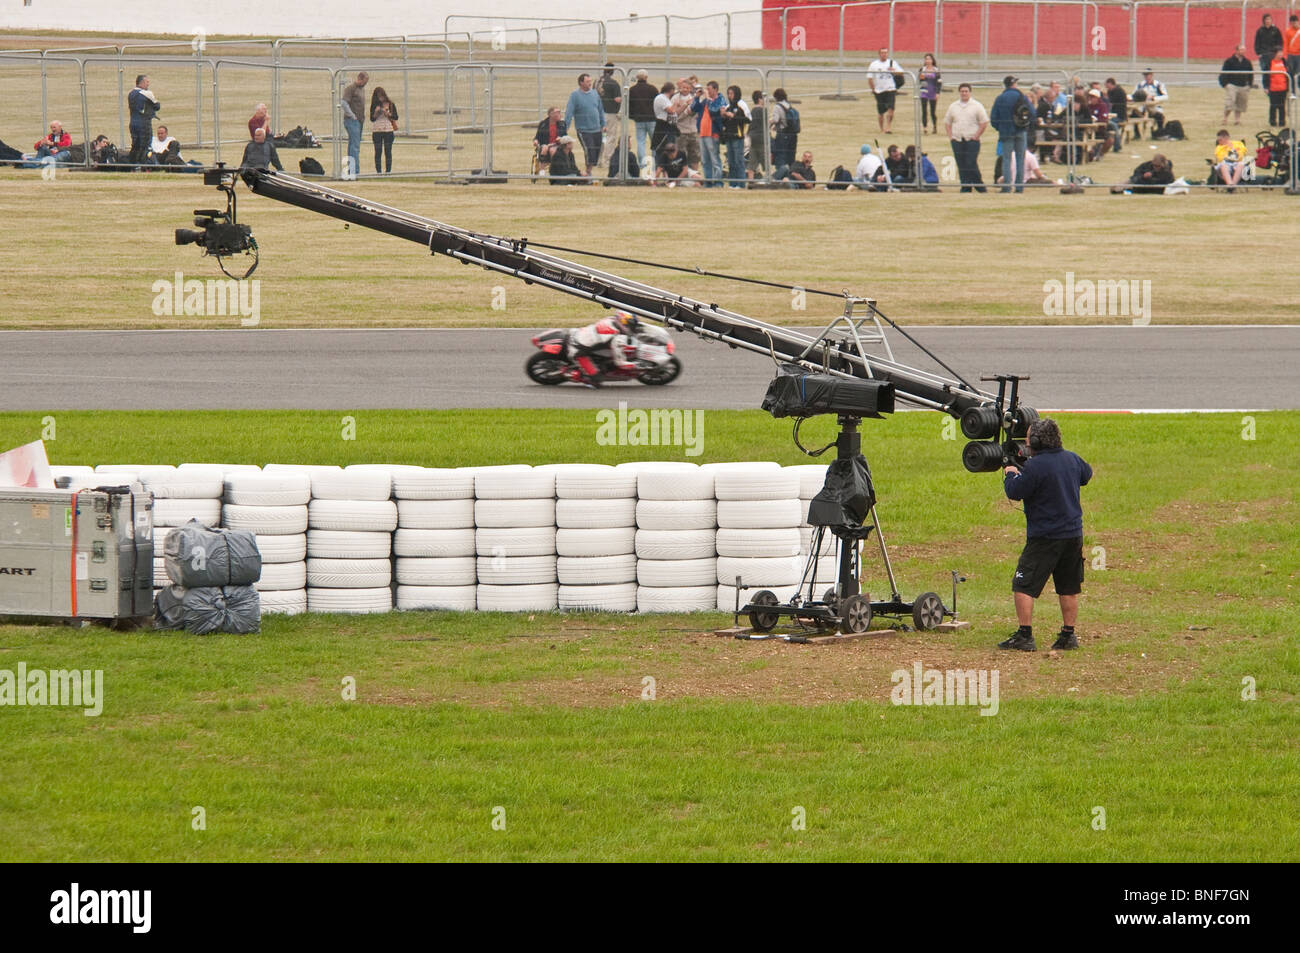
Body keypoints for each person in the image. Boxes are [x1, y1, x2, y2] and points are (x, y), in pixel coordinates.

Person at [999, 418, 1092, 652]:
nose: (1027, 443)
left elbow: (1015, 491)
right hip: (1073, 534)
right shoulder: (1072, 459)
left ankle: (1025, 635)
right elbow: (1086, 475)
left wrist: (1011, 473)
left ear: (1038, 441)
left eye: (1029, 438)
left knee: (1022, 583)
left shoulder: (1035, 467)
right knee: (1068, 586)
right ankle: (1068, 635)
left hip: (1045, 537)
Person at [566, 311, 640, 385]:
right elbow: (620, 363)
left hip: (578, 334)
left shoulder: (610, 320)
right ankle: (579, 376)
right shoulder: (615, 338)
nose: (632, 327)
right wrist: (636, 365)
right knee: (596, 379)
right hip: (578, 350)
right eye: (630, 325)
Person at [944, 82, 988, 193]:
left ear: (970, 92)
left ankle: (979, 186)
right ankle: (965, 187)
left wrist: (977, 136)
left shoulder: (977, 106)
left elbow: (984, 122)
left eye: (966, 91)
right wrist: (951, 137)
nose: (964, 93)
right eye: (962, 91)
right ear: (959, 92)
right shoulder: (953, 106)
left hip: (971, 139)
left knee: (971, 163)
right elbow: (947, 122)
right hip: (957, 139)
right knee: (961, 164)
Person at [990, 75, 1030, 193]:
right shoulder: (1021, 96)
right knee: (1020, 159)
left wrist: (1000, 127)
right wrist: (1026, 125)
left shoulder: (1000, 98)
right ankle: (1019, 187)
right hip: (1021, 130)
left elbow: (993, 118)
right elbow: (1031, 112)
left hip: (1006, 132)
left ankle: (1006, 186)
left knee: (1006, 159)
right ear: (1014, 84)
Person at [565, 73, 606, 176]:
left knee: (596, 152)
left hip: (597, 129)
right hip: (584, 130)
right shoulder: (575, 95)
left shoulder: (595, 94)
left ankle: (589, 171)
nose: (590, 83)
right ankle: (588, 173)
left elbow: (600, 110)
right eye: (587, 82)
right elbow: (569, 112)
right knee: (589, 151)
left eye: (590, 81)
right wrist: (565, 127)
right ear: (581, 83)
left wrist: (603, 124)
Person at [692, 81, 725, 187]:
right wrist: (697, 97)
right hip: (702, 133)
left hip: (712, 133)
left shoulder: (720, 100)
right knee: (705, 160)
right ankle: (709, 181)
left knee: (714, 159)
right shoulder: (705, 101)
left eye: (709, 89)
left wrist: (708, 99)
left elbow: (713, 110)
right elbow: (693, 108)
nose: (708, 91)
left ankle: (718, 182)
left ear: (715, 89)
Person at [867, 46, 904, 134]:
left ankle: (888, 127)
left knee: (891, 109)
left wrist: (894, 71)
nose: (884, 54)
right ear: (879, 54)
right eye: (882, 53)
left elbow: (901, 72)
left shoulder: (892, 63)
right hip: (879, 90)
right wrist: (873, 89)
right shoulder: (874, 64)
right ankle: (881, 128)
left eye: (886, 53)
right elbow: (870, 78)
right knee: (881, 111)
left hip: (890, 89)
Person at [719, 85, 750, 188]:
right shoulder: (728, 106)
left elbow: (748, 119)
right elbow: (724, 123)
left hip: (738, 136)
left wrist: (734, 116)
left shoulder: (742, 104)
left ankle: (741, 184)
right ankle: (733, 183)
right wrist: (723, 116)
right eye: (728, 93)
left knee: (739, 161)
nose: (730, 96)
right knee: (731, 162)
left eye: (731, 93)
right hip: (729, 137)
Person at [127, 74, 161, 166]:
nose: (148, 84)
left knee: (135, 145)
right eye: (147, 82)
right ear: (141, 83)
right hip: (143, 123)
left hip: (133, 123)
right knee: (145, 145)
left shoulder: (131, 94)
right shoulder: (147, 93)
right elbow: (157, 106)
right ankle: (144, 165)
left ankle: (132, 165)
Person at [671, 78, 701, 174]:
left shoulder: (694, 99)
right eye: (683, 87)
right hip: (681, 131)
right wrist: (685, 109)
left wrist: (689, 111)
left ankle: (695, 175)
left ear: (690, 89)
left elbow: (696, 113)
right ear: (680, 88)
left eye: (687, 88)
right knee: (681, 155)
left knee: (694, 156)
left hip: (692, 131)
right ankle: (682, 176)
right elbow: (674, 115)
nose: (685, 90)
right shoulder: (675, 98)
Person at [340, 72, 368, 177]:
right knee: (355, 147)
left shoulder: (362, 89)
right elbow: (344, 103)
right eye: (365, 81)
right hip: (352, 121)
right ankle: (354, 171)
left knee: (353, 146)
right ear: (360, 79)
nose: (365, 84)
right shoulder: (351, 88)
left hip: (360, 121)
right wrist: (352, 115)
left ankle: (350, 170)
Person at [627, 69, 657, 168]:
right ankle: (655, 163)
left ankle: (643, 164)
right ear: (646, 77)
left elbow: (629, 105)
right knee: (655, 143)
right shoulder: (653, 89)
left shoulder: (632, 90)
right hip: (652, 119)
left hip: (639, 120)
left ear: (637, 78)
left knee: (640, 142)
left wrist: (632, 116)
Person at [1220, 45, 1253, 125]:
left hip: (1243, 86)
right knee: (1230, 103)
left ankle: (1237, 120)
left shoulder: (1247, 62)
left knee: (1240, 104)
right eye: (1241, 50)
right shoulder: (1229, 61)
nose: (1243, 51)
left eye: (1244, 50)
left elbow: (1251, 74)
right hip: (1232, 85)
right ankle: (1225, 118)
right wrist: (1225, 84)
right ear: (1237, 50)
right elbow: (1223, 73)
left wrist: (1249, 84)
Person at [369, 87, 398, 174]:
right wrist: (376, 112)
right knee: (378, 151)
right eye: (378, 97)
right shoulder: (374, 105)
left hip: (388, 130)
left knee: (388, 151)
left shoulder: (391, 104)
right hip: (377, 130)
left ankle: (388, 171)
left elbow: (396, 117)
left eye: (381, 96)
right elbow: (372, 119)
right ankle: (378, 171)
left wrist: (388, 114)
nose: (380, 98)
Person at [770, 87, 798, 174]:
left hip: (783, 135)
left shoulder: (777, 106)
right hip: (792, 135)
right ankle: (789, 174)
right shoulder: (789, 106)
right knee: (790, 157)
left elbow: (775, 119)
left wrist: (768, 124)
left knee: (780, 157)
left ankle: (780, 176)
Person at [533, 106, 567, 172]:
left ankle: (554, 169)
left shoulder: (562, 124)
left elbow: (566, 137)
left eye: (559, 112)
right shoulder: (543, 124)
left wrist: (561, 138)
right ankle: (542, 170)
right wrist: (535, 141)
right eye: (557, 112)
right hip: (545, 144)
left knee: (552, 150)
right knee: (545, 148)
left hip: (557, 145)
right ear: (551, 114)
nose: (559, 114)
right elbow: (537, 137)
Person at [1134, 69, 1168, 133]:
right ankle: (1137, 134)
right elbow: (1134, 95)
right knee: (1133, 114)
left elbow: (1165, 97)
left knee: (1159, 116)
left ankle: (1160, 132)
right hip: (1142, 107)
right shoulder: (1140, 85)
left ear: (1152, 75)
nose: (1147, 77)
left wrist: (1153, 98)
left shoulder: (1158, 85)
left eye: (1148, 75)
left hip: (1154, 107)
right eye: (1145, 75)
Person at [1255, 14, 1283, 88]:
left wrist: (1278, 52)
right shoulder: (1260, 31)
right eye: (1266, 19)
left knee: (1274, 72)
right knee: (1265, 72)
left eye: (1269, 19)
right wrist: (1259, 53)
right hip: (1263, 55)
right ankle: (1266, 87)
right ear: (1263, 20)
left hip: (1273, 55)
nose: (1268, 21)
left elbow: (1280, 42)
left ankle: (1274, 86)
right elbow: (1257, 43)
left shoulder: (1275, 30)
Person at [598, 63, 623, 147]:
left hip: (598, 114)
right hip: (610, 114)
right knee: (610, 137)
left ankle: (599, 157)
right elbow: (617, 99)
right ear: (612, 71)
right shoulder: (613, 83)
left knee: (602, 137)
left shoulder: (597, 82)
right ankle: (607, 159)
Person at [746, 90, 768, 181]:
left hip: (752, 138)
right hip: (761, 138)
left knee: (752, 161)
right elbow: (765, 125)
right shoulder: (763, 110)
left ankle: (751, 181)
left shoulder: (753, 110)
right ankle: (768, 179)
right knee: (765, 161)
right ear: (760, 99)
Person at [651, 81, 677, 154]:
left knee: (671, 149)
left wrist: (685, 104)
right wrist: (675, 103)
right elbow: (671, 110)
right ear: (671, 90)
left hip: (670, 126)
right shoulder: (661, 98)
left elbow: (675, 112)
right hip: (663, 126)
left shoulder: (666, 99)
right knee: (663, 149)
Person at [918, 54, 941, 134]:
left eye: (929, 59)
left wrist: (937, 93)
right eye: (926, 59)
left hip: (933, 92)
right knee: (924, 110)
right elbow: (920, 80)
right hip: (924, 91)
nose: (928, 61)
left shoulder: (936, 70)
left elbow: (939, 82)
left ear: (932, 60)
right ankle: (925, 127)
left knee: (932, 111)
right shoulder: (922, 69)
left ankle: (934, 126)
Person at [1267, 48, 1289, 127]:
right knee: (1273, 105)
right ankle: (1272, 122)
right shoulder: (1270, 62)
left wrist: (1288, 87)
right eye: (1279, 53)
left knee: (1282, 106)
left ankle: (1282, 122)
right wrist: (1266, 87)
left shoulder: (1284, 62)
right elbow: (1266, 75)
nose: (1281, 54)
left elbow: (1288, 74)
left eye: (1281, 53)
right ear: (1275, 54)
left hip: (1283, 88)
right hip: (1273, 88)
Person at [1287, 15, 1300, 91]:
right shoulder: (1288, 31)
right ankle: (1293, 91)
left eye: (1295, 22)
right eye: (1292, 23)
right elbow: (1286, 44)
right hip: (1291, 55)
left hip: (1299, 55)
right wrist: (1286, 55)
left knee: (1299, 74)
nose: (1293, 24)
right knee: (1291, 73)